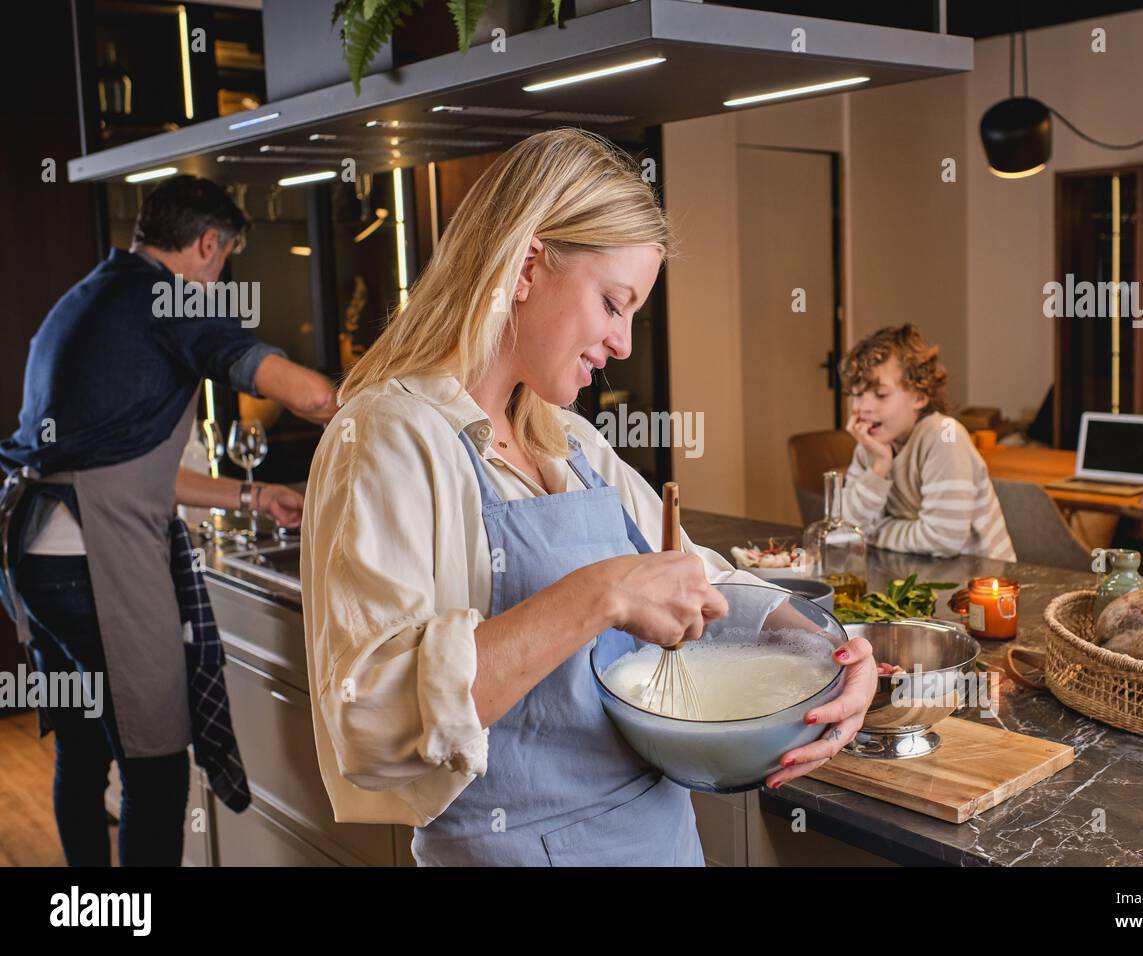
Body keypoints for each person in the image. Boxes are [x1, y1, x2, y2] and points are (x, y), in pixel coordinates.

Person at [300, 129, 877, 866]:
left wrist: (832, 653)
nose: (624, 343)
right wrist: (596, 595)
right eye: (614, 303)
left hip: (657, 839)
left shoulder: (567, 442)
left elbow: (693, 572)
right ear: (528, 265)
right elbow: (371, 718)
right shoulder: (387, 435)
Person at [0, 175, 338, 866]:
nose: (220, 277)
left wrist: (252, 496)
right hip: (97, 565)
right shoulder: (174, 299)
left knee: (84, 747)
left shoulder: (85, 296)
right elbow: (311, 395)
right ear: (208, 244)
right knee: (155, 766)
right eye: (225, 260)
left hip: (34, 557)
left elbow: (119, 472)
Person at [839, 325, 1016, 561]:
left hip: (979, 583)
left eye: (881, 395)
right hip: (916, 574)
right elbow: (844, 529)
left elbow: (943, 540)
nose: (864, 407)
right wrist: (879, 467)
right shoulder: (870, 447)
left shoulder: (944, 437)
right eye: (858, 394)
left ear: (919, 397)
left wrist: (873, 533)